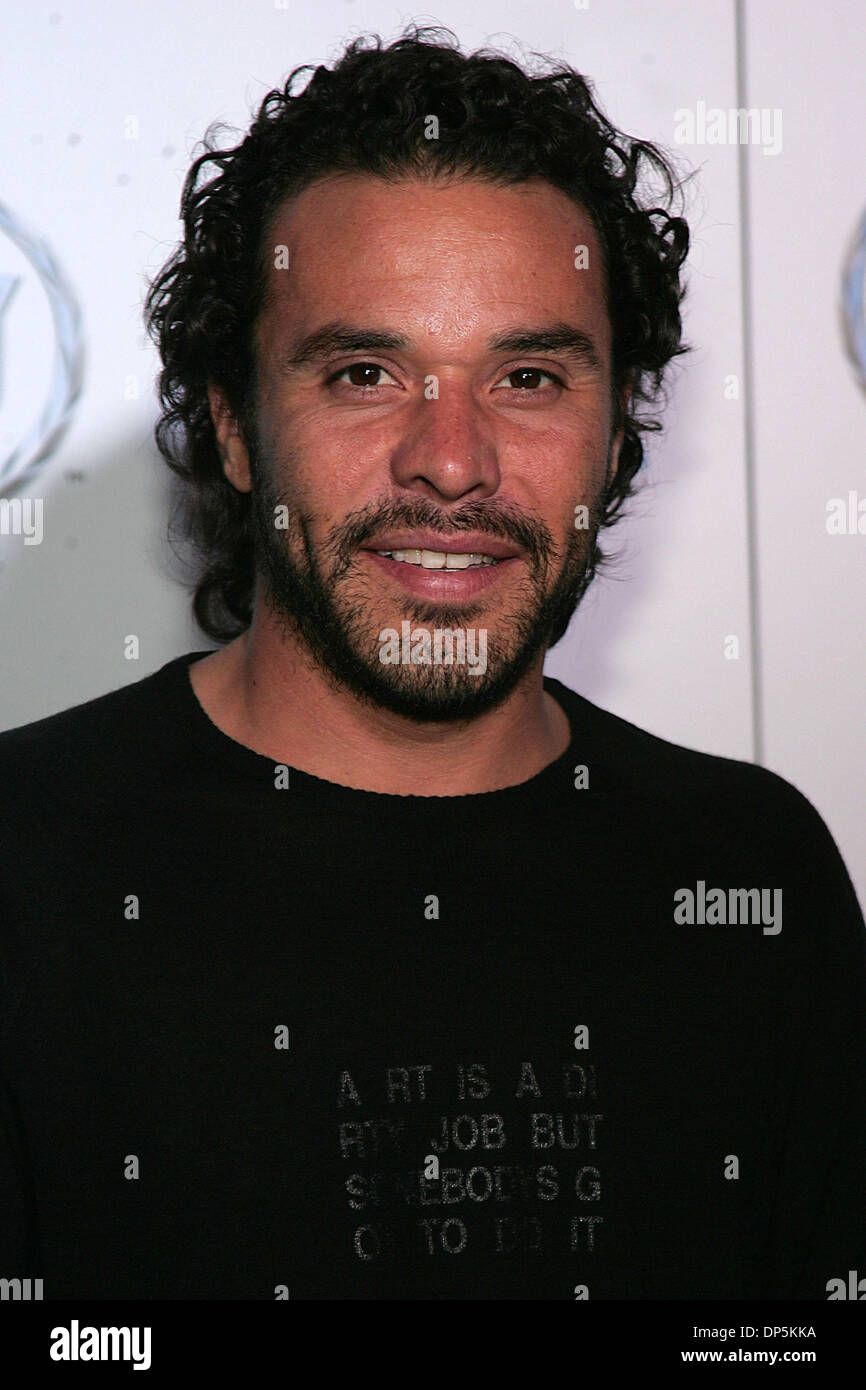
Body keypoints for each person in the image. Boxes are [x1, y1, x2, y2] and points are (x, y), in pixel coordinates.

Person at [1, 26, 864, 1301]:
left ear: (615, 434)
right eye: (363, 372)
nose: (450, 461)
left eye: (525, 375)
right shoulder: (24, 863)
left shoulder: (749, 873)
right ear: (235, 429)